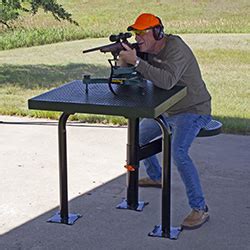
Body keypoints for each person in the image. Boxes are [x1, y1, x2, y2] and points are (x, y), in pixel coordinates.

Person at [119, 13, 212, 230]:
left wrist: (138, 62)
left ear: (158, 33)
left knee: (178, 152)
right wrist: (123, 63)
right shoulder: (145, 51)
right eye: (136, 33)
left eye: (143, 33)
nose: (138, 37)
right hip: (168, 110)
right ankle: (156, 177)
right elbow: (127, 85)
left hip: (194, 110)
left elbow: (168, 81)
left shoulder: (176, 48)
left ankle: (200, 208)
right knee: (137, 137)